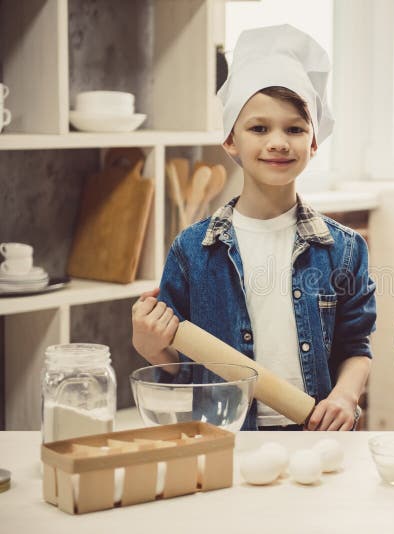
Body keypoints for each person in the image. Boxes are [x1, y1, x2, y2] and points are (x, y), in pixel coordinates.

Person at [131, 25, 376, 431]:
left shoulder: (344, 249)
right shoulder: (192, 250)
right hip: (221, 433)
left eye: (295, 129)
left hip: (314, 433)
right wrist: (149, 344)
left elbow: (356, 346)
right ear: (230, 140)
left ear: (313, 143)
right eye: (259, 128)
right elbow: (178, 367)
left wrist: (345, 397)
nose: (278, 142)